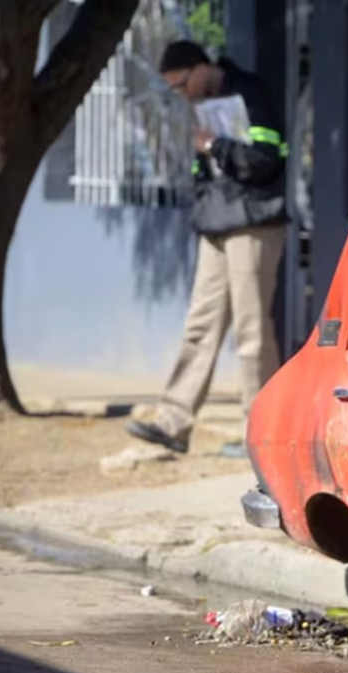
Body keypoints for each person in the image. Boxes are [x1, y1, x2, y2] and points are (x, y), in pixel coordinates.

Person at [127, 41, 288, 457]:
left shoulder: (250, 92)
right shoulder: (200, 108)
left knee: (251, 334)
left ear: (200, 67)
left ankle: (260, 434)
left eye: (183, 84)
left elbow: (268, 159)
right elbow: (203, 172)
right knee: (199, 326)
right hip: (215, 226)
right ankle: (173, 423)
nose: (184, 95)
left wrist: (218, 147)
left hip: (253, 224)